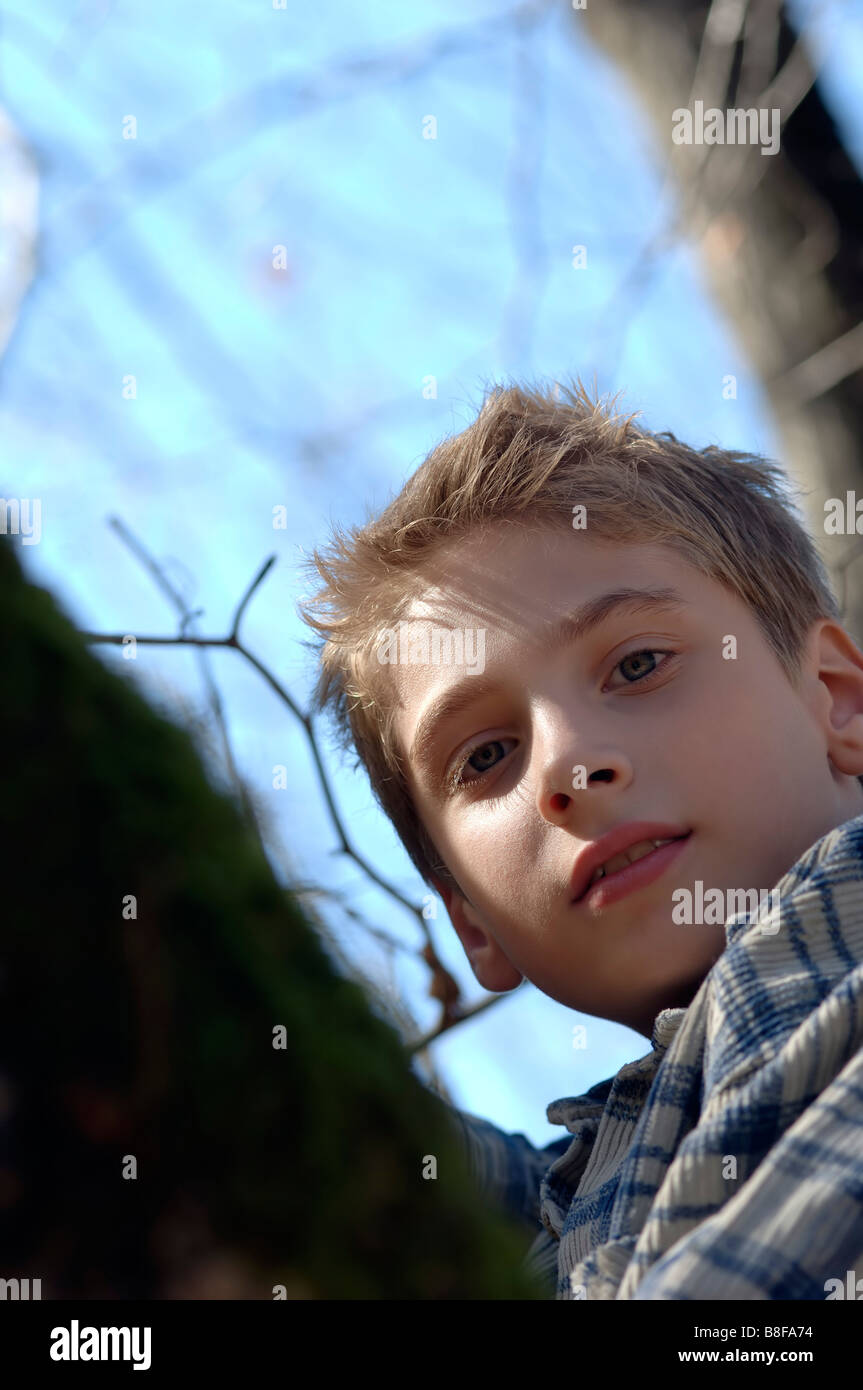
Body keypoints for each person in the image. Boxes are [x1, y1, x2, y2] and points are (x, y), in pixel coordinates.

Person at [299, 377, 863, 1299]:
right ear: (470, 919)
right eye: (486, 756)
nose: (566, 764)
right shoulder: (562, 1212)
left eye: (637, 665)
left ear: (836, 702)